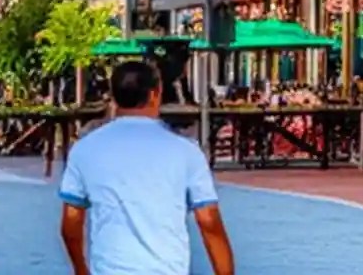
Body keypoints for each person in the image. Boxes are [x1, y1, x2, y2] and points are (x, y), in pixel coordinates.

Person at [59, 61, 234, 275]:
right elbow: (208, 222)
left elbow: (71, 225)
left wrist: (81, 269)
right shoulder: (186, 151)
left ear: (113, 96)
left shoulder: (85, 149)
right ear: (155, 94)